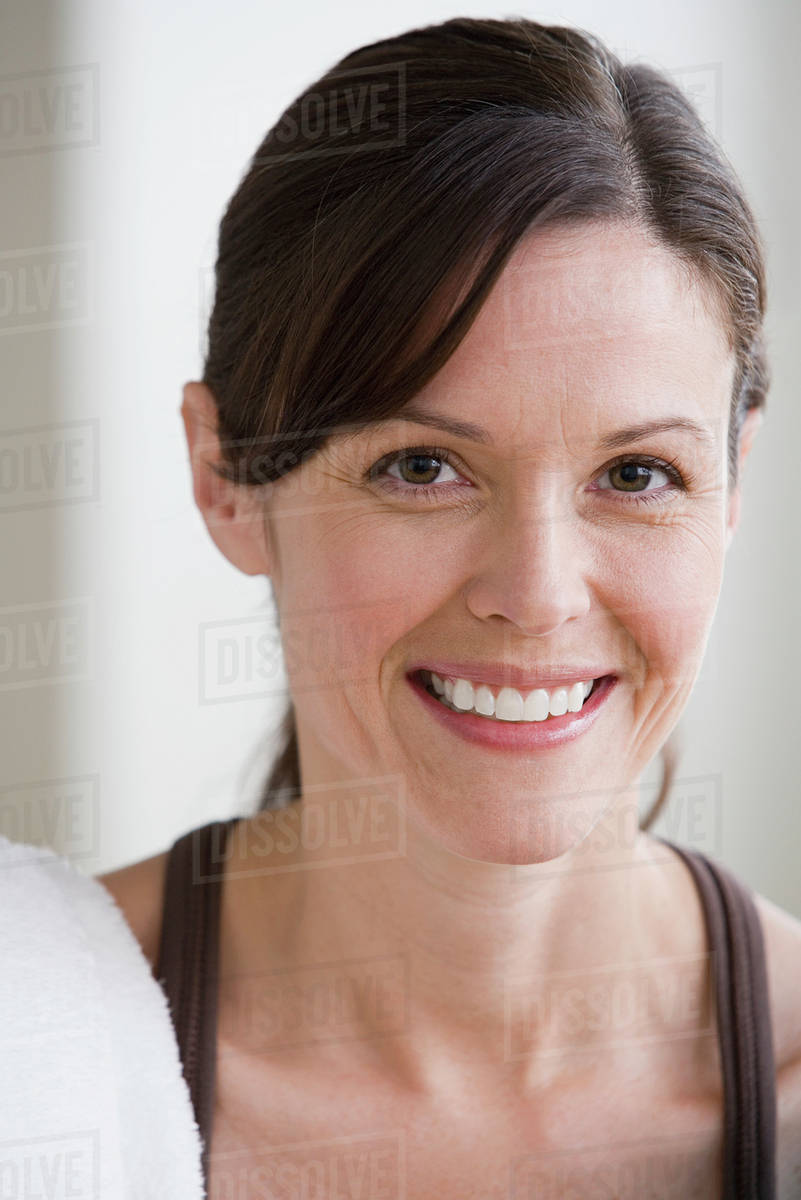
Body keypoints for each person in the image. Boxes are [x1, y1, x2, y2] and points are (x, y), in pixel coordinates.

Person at [96, 15, 801, 1197]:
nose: (536, 595)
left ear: (732, 485)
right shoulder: (41, 1056)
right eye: (422, 467)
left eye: (637, 475)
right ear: (225, 478)